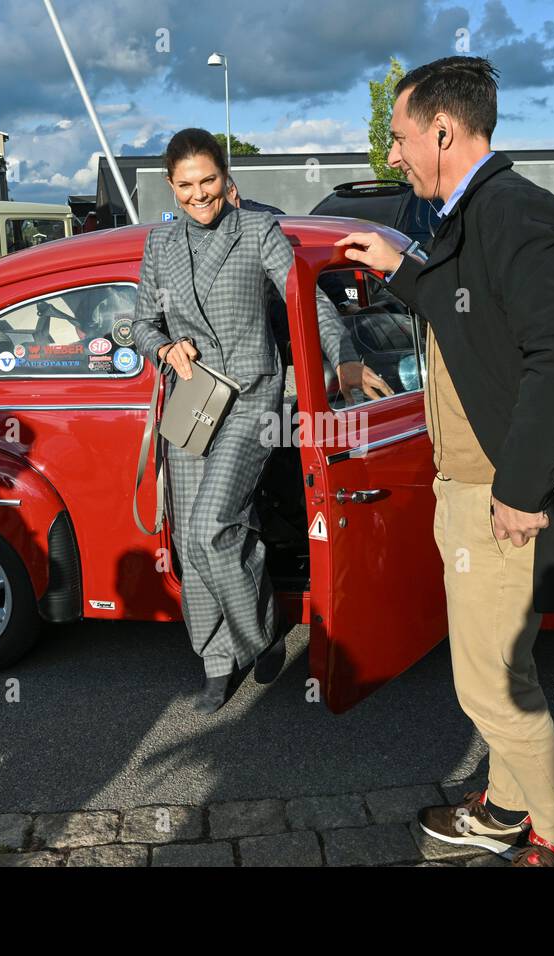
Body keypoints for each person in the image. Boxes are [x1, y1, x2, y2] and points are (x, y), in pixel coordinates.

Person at [336, 57, 554, 868]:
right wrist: (407, 275)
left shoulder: (514, 213)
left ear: (445, 131)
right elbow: (474, 310)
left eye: (400, 136)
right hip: (467, 484)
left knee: (488, 686)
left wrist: (519, 492)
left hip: (500, 491)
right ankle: (502, 806)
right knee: (503, 667)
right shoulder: (475, 212)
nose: (394, 154)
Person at [131, 128, 389, 713]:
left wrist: (344, 358)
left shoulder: (256, 232)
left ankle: (259, 634)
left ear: (227, 178)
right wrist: (165, 349)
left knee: (210, 528)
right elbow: (143, 323)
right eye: (186, 185)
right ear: (171, 188)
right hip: (193, 400)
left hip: (251, 399)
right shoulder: (160, 246)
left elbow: (310, 300)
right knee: (195, 541)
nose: (199, 195)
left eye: (209, 181)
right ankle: (217, 660)